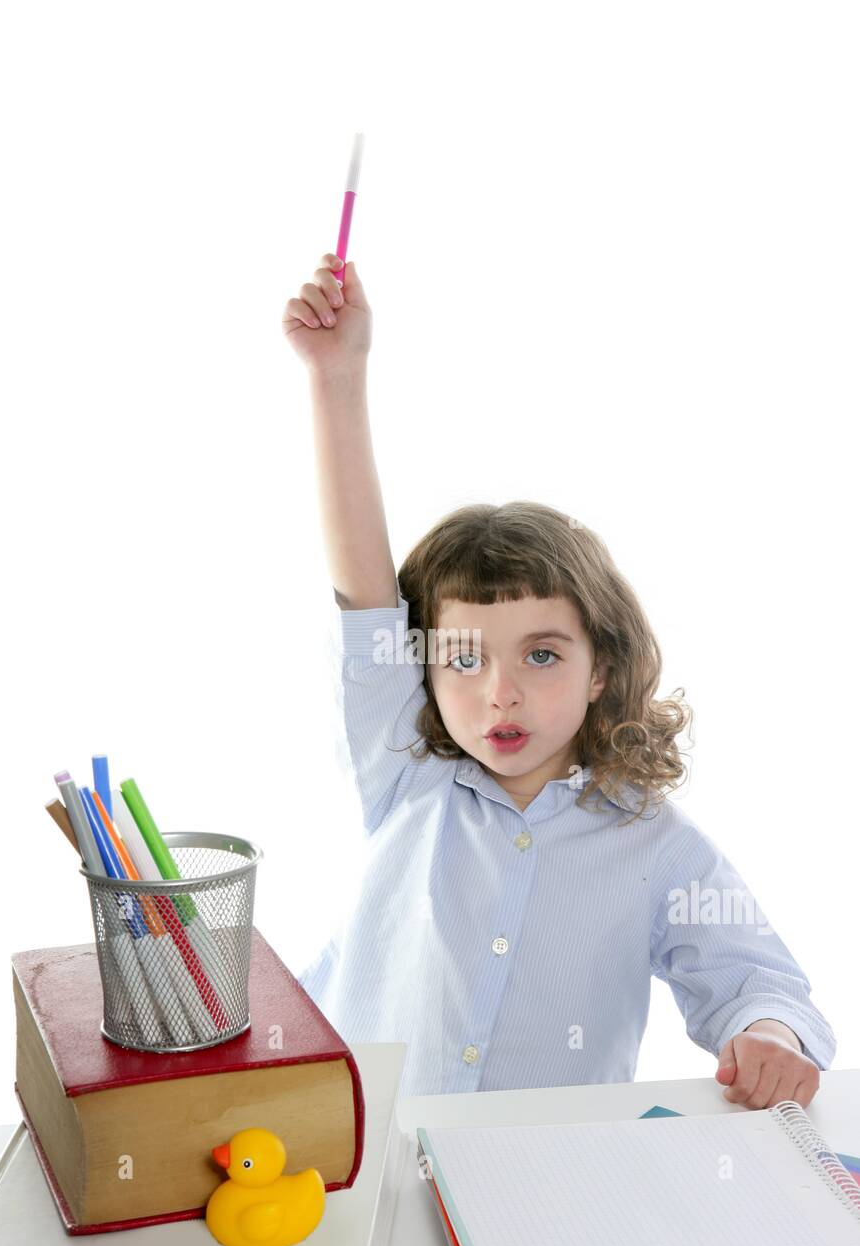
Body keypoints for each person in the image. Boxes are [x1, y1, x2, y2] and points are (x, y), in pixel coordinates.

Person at [281, 251, 836, 1106]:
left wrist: (767, 1033)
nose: (500, 691)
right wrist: (337, 376)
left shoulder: (654, 844)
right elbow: (364, 589)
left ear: (599, 667)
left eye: (541, 655)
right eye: (464, 658)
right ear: (422, 665)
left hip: (545, 1190)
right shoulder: (406, 774)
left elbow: (756, 980)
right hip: (362, 1168)